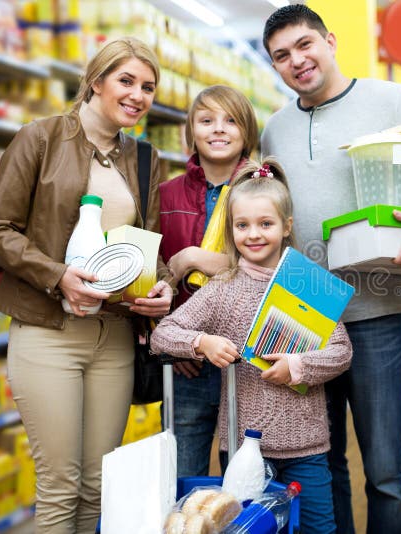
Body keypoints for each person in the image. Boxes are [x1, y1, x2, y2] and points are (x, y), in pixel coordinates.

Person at [260, 6, 401, 533]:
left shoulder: (393, 101)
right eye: (282, 55)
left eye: (305, 45)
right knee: (320, 466)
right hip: (305, 315)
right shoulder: (274, 130)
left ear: (330, 40)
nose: (297, 61)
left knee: (387, 473)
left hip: (380, 309)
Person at [0, 37, 173, 534]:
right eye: (126, 81)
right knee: (61, 487)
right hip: (48, 333)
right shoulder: (40, 139)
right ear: (95, 80)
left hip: (115, 338)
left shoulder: (145, 158)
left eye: (148, 87)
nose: (138, 95)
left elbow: (149, 247)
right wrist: (57, 275)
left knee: (98, 486)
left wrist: (163, 285)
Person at [151, 158, 353, 534]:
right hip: (244, 452)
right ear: (231, 229)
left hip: (306, 447)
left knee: (318, 529)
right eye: (242, 225)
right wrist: (202, 342)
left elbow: (341, 352)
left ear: (286, 226)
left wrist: (298, 367)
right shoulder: (222, 288)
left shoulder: (307, 283)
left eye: (266, 224)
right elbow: (164, 333)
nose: (253, 234)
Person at [159, 85, 259, 477]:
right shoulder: (164, 195)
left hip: (249, 360)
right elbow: (151, 274)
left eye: (231, 120)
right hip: (187, 362)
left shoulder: (265, 190)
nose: (219, 130)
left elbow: (275, 267)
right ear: (191, 131)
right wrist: (175, 341)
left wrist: (199, 258)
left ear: (247, 131)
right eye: (206, 120)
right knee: (182, 476)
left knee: (245, 477)